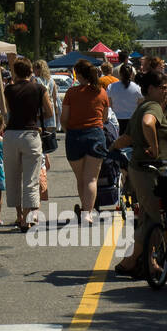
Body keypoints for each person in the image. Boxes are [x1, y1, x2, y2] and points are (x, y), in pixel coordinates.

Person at [112, 70, 167, 277]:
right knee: (157, 219)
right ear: (150, 89)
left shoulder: (142, 107)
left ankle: (142, 263)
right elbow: (148, 124)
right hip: (149, 172)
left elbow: (127, 138)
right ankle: (133, 262)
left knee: (149, 219)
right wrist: (155, 148)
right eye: (163, 88)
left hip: (141, 170)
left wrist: (111, 147)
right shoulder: (152, 107)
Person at [3, 58, 54, 230]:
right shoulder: (39, 88)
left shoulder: (9, 89)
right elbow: (49, 112)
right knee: (31, 178)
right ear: (31, 70)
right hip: (31, 134)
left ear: (15, 72)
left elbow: (9, 111)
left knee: (13, 177)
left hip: (10, 134)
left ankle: (18, 216)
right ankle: (27, 218)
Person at [61, 59, 112, 225]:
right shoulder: (102, 92)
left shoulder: (71, 92)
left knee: (80, 178)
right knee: (91, 179)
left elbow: (64, 118)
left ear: (80, 75)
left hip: (75, 135)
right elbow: (104, 118)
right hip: (96, 135)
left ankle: (84, 208)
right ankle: (87, 214)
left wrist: (68, 129)